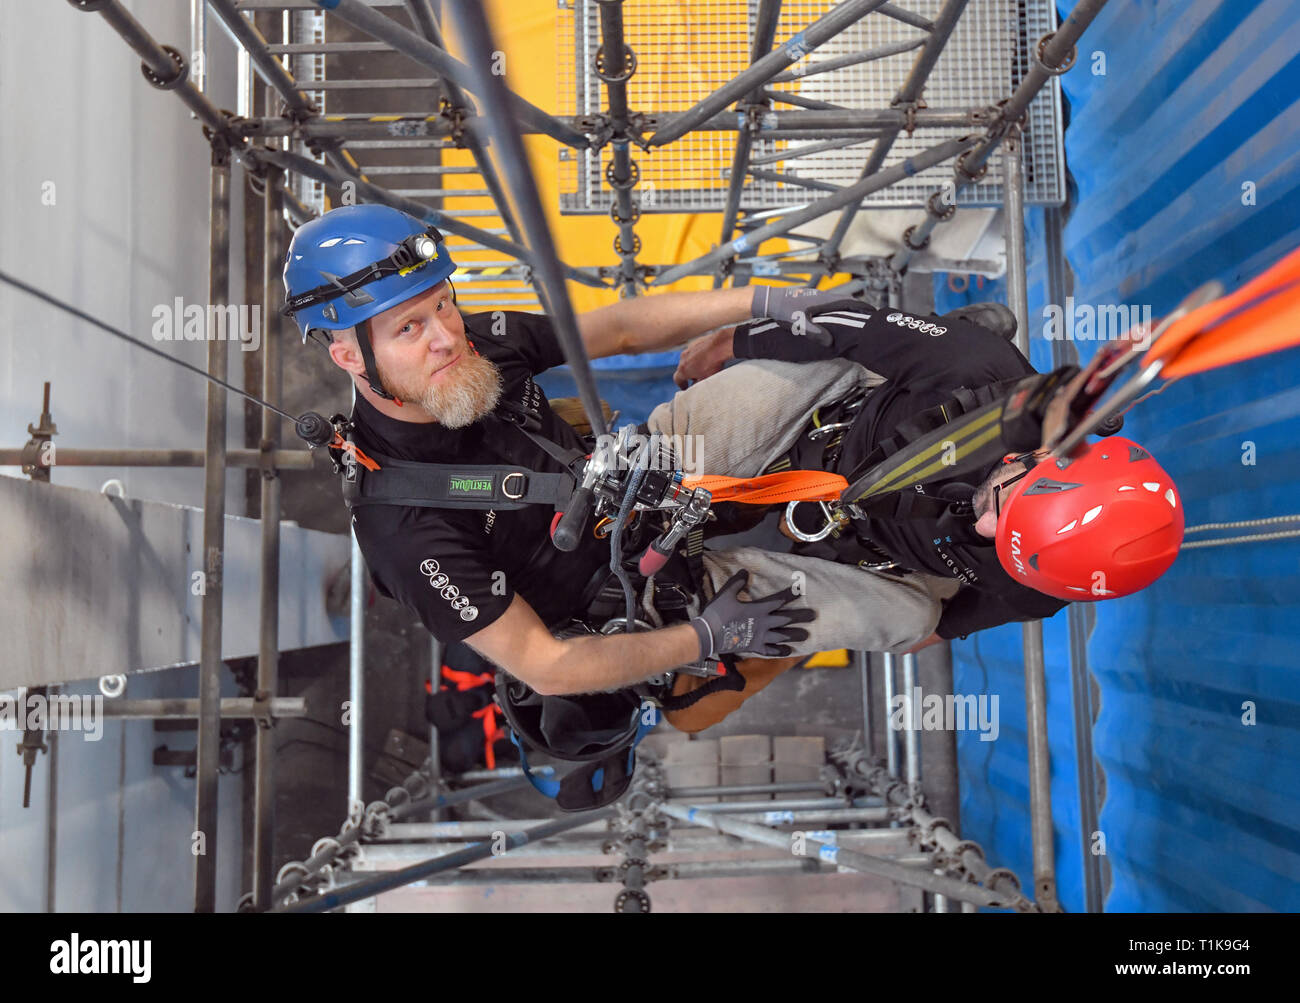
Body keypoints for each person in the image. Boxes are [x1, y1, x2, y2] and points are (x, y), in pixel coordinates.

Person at [281, 204, 951, 708]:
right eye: (410, 327)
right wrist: (708, 639)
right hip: (653, 600)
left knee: (830, 344)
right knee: (911, 619)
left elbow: (622, 328)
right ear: (348, 355)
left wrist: (765, 305)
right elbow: (547, 665)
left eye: (444, 305)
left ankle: (955, 379)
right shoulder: (402, 527)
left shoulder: (478, 343)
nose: (446, 337)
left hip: (651, 470)